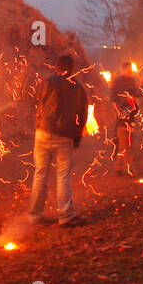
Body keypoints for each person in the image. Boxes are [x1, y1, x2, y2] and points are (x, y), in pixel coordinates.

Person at [28, 54, 88, 225]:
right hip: (64, 136)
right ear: (73, 68)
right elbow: (82, 115)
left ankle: (35, 215)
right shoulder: (77, 88)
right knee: (63, 176)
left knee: (40, 173)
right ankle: (66, 215)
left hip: (43, 132)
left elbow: (35, 102)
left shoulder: (47, 83)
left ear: (57, 67)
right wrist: (77, 138)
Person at [109, 62, 142, 177]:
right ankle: (129, 168)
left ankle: (118, 167)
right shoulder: (118, 82)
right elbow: (113, 97)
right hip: (121, 116)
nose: (130, 71)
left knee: (126, 144)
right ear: (123, 69)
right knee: (124, 144)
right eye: (128, 69)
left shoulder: (132, 81)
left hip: (129, 116)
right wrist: (117, 108)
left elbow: (137, 95)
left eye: (130, 70)